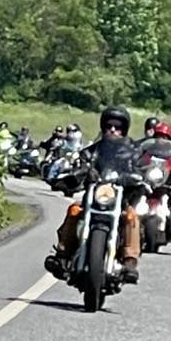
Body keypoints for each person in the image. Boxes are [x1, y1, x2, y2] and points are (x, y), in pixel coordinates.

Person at [44, 106, 142, 284]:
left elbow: (141, 169)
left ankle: (130, 261)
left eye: (117, 127)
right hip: (93, 199)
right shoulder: (92, 151)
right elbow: (80, 166)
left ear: (124, 129)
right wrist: (71, 177)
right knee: (74, 210)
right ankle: (62, 253)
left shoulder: (134, 153)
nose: (113, 129)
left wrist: (139, 177)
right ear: (103, 127)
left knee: (131, 216)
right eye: (109, 126)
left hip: (119, 201)